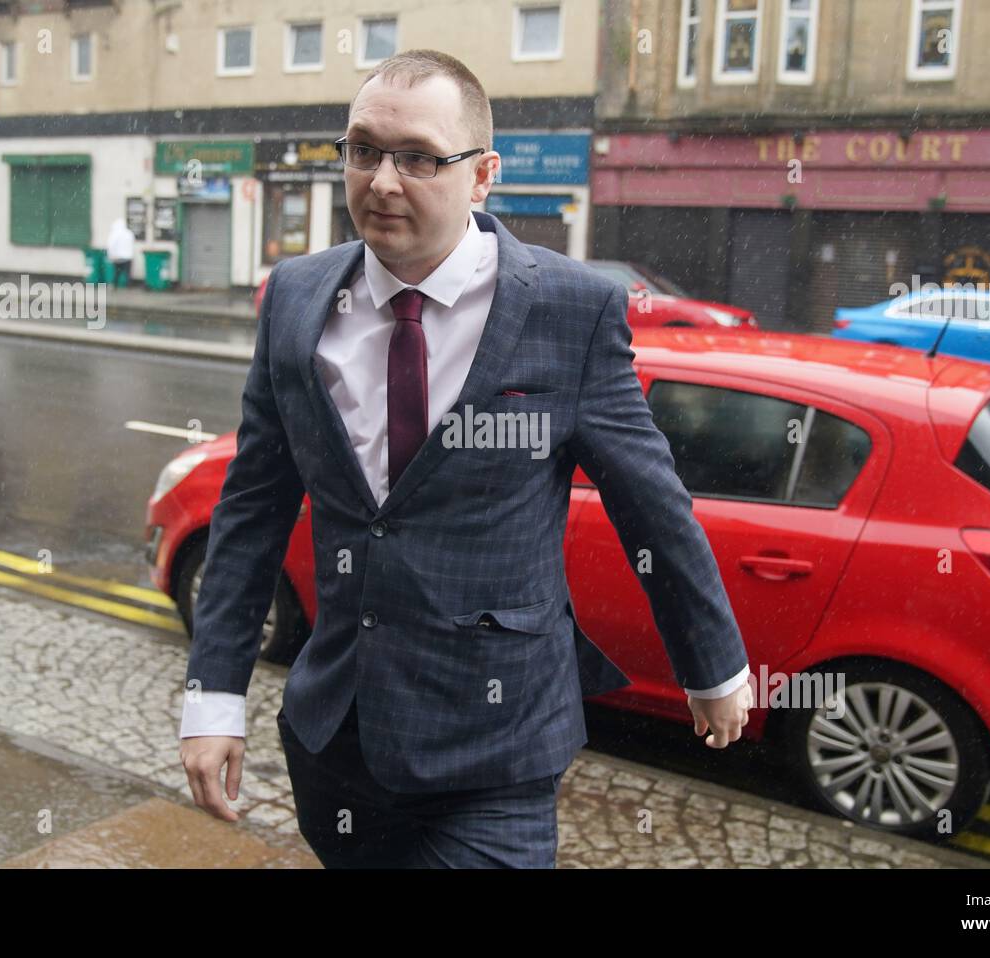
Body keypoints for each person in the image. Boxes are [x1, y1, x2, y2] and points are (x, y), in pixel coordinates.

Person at [178, 49, 753, 869]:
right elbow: (252, 508)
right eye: (363, 150)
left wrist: (713, 663)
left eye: (417, 157)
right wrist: (213, 698)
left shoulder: (571, 310)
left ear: (482, 176)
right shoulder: (299, 300)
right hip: (337, 744)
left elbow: (650, 503)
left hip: (498, 752)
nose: (381, 180)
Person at [105, 218, 135, 288]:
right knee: (127, 273)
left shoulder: (115, 234)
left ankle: (114, 285)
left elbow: (110, 245)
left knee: (117, 272)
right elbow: (132, 243)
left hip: (118, 257)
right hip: (128, 257)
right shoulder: (129, 233)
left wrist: (110, 255)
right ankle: (129, 286)